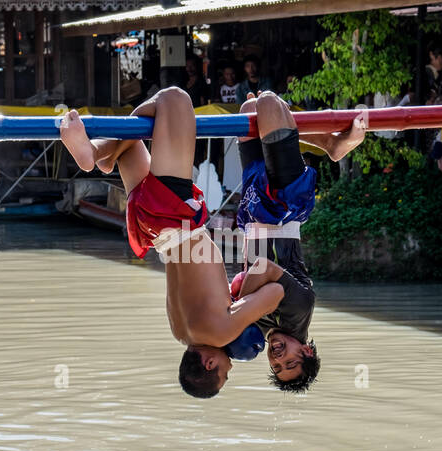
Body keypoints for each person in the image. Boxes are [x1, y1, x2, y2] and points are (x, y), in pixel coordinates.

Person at [58, 86, 287, 398]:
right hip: (154, 231)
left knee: (175, 99)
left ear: (208, 363)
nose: (230, 368)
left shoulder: (220, 331)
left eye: (224, 374)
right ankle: (102, 154)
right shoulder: (180, 331)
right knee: (130, 143)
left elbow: (275, 289)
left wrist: (242, 330)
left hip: (175, 217)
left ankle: (92, 155)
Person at [232, 92, 367, 391]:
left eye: (276, 367)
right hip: (282, 206)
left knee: (249, 110)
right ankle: (330, 144)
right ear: (307, 350)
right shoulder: (300, 307)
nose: (278, 358)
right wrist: (236, 312)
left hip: (254, 210)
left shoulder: (261, 328)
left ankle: (329, 143)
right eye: (290, 362)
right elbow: (263, 267)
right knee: (268, 103)